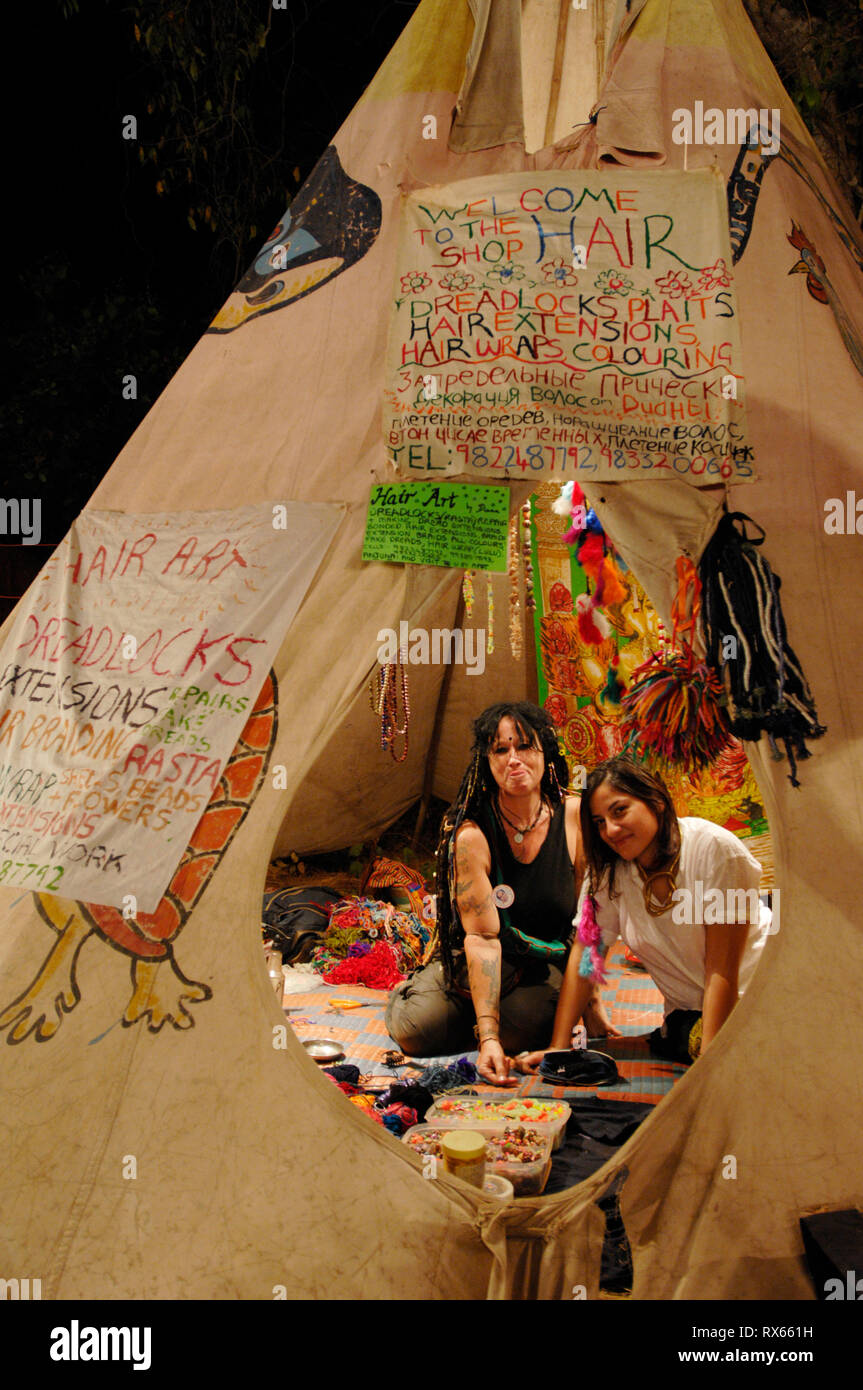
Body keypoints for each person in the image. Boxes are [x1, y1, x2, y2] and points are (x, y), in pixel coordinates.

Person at [385, 701, 615, 1082]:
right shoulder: (472, 835)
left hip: (542, 962)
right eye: (501, 750)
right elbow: (482, 938)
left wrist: (592, 1004)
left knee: (538, 1021)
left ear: (546, 752)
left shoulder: (574, 817)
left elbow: (587, 923)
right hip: (481, 959)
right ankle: (460, 1008)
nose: (514, 759)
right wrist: (489, 1037)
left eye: (524, 746)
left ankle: (476, 1019)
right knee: (415, 1030)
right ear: (487, 761)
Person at [516, 756, 772, 1072]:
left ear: (656, 801)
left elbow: (722, 972)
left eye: (619, 811)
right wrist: (557, 1046)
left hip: (757, 1003)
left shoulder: (717, 850)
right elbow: (586, 953)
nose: (610, 830)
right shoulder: (609, 873)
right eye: (599, 822)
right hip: (686, 1020)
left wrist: (709, 1070)